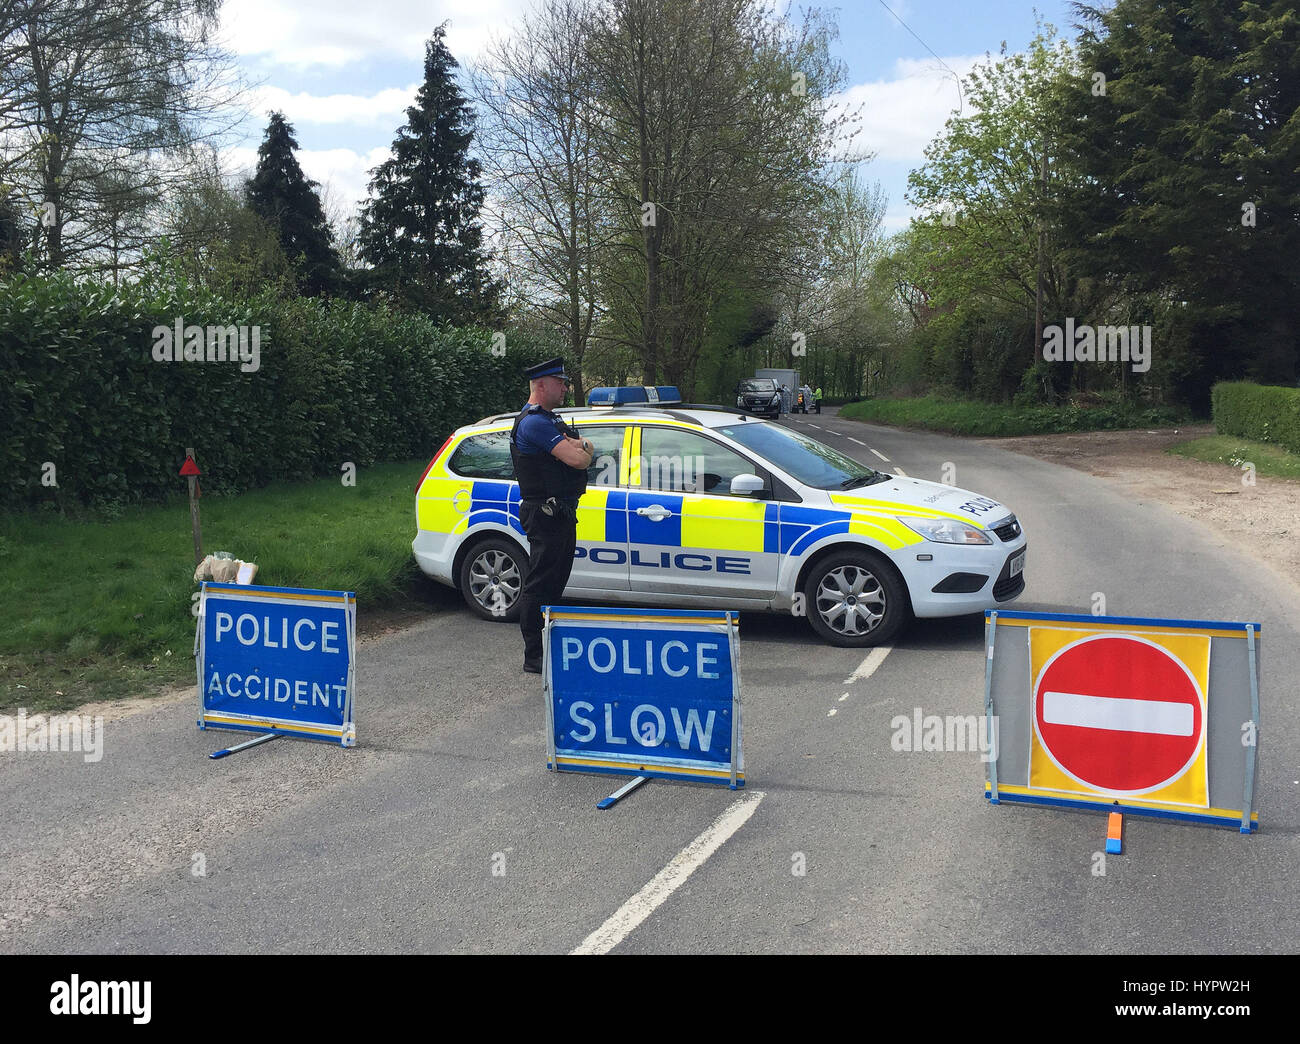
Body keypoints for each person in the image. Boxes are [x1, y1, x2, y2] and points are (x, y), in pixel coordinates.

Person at [510, 357, 593, 673]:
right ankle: (535, 656)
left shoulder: (549, 420)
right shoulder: (534, 423)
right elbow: (580, 459)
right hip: (544, 513)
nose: (566, 388)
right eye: (560, 383)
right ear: (541, 385)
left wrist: (580, 445)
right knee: (540, 583)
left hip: (560, 513)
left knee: (555, 582)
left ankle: (548, 648)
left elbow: (587, 448)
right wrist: (579, 447)